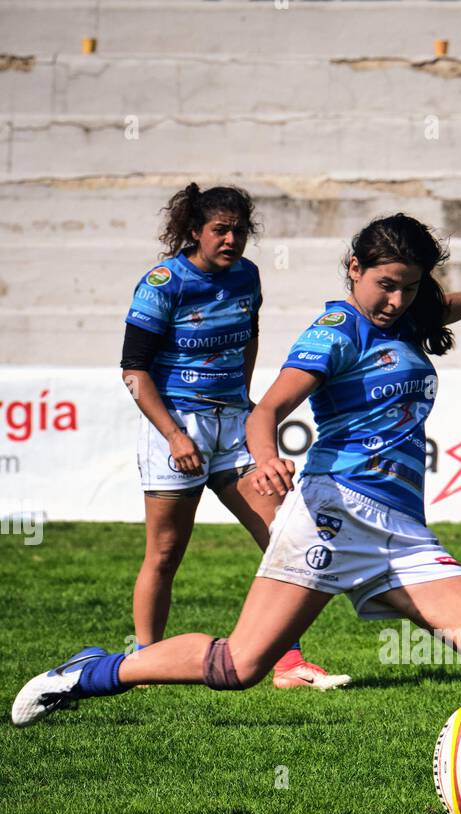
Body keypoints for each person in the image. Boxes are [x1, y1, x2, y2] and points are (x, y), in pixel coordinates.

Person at [13, 215, 461, 814]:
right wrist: (265, 456)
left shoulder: (407, 316)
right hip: (332, 517)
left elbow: (436, 309)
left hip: (400, 531)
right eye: (386, 284)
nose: (397, 300)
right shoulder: (337, 329)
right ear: (354, 271)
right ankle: (90, 672)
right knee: (238, 668)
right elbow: (271, 408)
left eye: (410, 287)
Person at [120, 180, 348, 690]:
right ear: (194, 232)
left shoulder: (247, 276)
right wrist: (176, 436)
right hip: (175, 424)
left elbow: (251, 334)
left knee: (282, 539)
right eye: (220, 230)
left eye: (239, 231)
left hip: (233, 425)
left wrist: (246, 404)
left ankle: (287, 664)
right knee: (165, 551)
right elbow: (134, 370)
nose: (231, 240)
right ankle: (141, 663)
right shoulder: (163, 283)